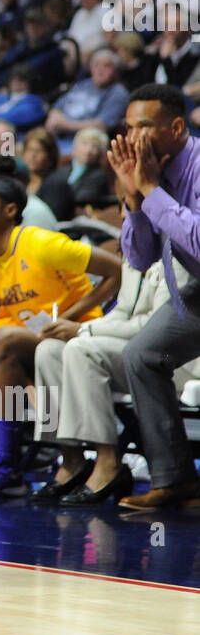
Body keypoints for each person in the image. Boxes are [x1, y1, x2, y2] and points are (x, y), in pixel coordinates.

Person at [0, 170, 121, 498]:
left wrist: (72, 317)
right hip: (28, 343)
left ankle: (8, 460)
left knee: (4, 338)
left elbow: (115, 270)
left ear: (9, 210)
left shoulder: (40, 243)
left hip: (74, 338)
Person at [33, 229, 195, 506]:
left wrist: (85, 329)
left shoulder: (179, 255)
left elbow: (156, 328)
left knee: (82, 349)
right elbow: (123, 310)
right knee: (48, 351)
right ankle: (71, 458)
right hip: (128, 351)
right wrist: (77, 330)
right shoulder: (134, 252)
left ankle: (108, 461)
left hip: (171, 360)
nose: (128, 218)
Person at [108, 84, 200, 510]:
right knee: (141, 354)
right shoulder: (151, 175)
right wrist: (133, 198)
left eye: (142, 125)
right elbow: (141, 259)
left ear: (176, 127)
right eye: (127, 127)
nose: (131, 136)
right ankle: (176, 479)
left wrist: (150, 190)